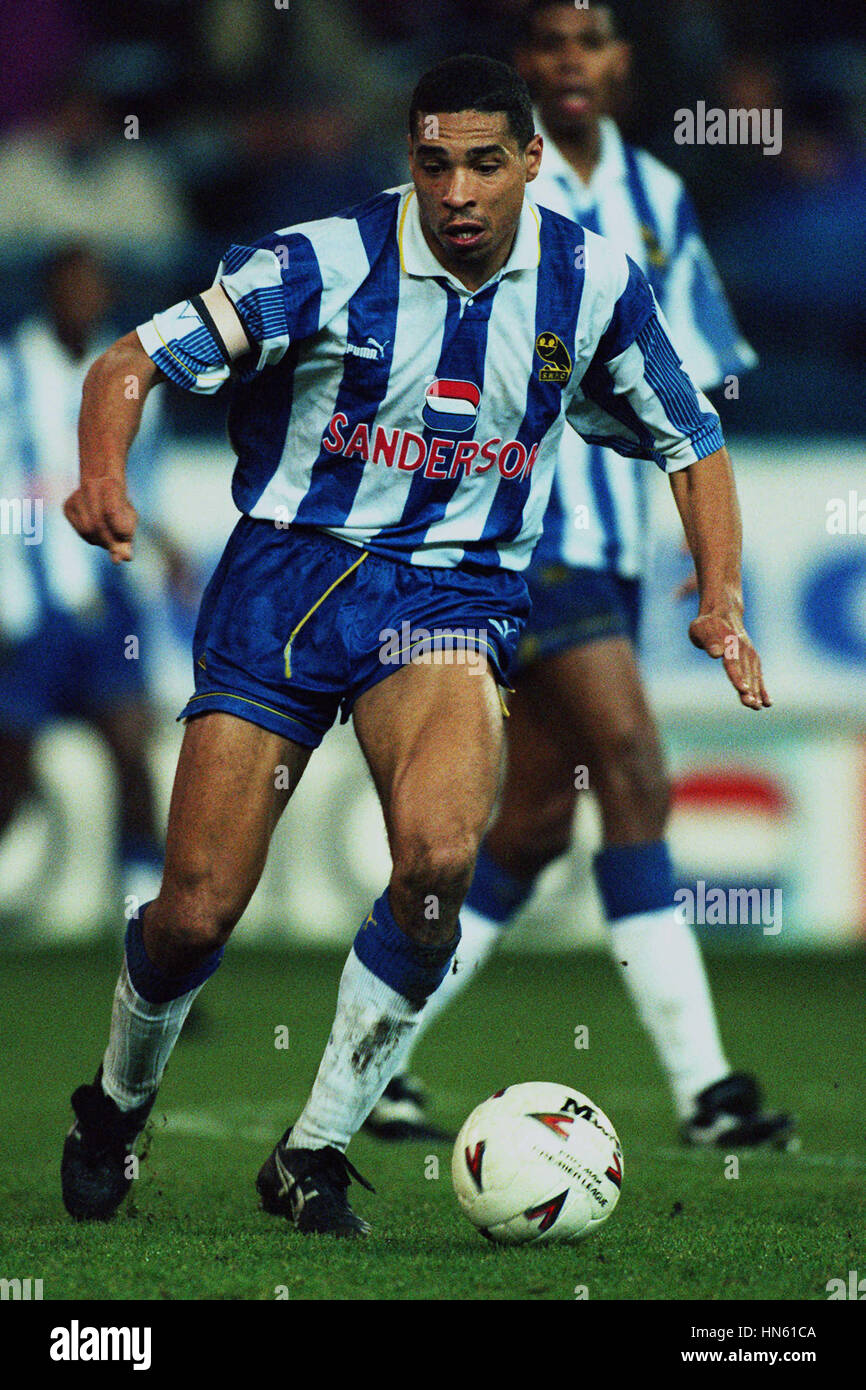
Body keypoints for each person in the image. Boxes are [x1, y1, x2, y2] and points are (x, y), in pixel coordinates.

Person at [60, 54, 769, 1239]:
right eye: (434, 164)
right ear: (410, 161)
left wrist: (722, 598)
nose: (457, 192)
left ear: (531, 161)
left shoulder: (592, 281)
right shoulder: (320, 262)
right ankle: (116, 1105)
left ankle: (314, 1148)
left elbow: (689, 437)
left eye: (484, 164)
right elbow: (127, 363)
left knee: (439, 857)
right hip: (286, 584)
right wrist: (102, 476)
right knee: (193, 914)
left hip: (450, 596)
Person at [368, 2, 793, 1151]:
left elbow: (691, 391)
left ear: (617, 63)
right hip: (524, 537)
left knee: (529, 827)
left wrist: (706, 551)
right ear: (528, 68)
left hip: (611, 551)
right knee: (635, 768)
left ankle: (374, 1065)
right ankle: (707, 1091)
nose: (569, 59)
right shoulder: (482, 186)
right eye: (549, 43)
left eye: (588, 41)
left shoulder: (657, 198)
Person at [0, 244, 167, 910]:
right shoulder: (11, 371)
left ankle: (144, 929)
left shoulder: (128, 375)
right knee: (10, 776)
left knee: (133, 756)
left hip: (107, 610)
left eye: (94, 286)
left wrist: (160, 551)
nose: (84, 299)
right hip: (29, 613)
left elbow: (143, 489)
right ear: (49, 293)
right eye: (72, 286)